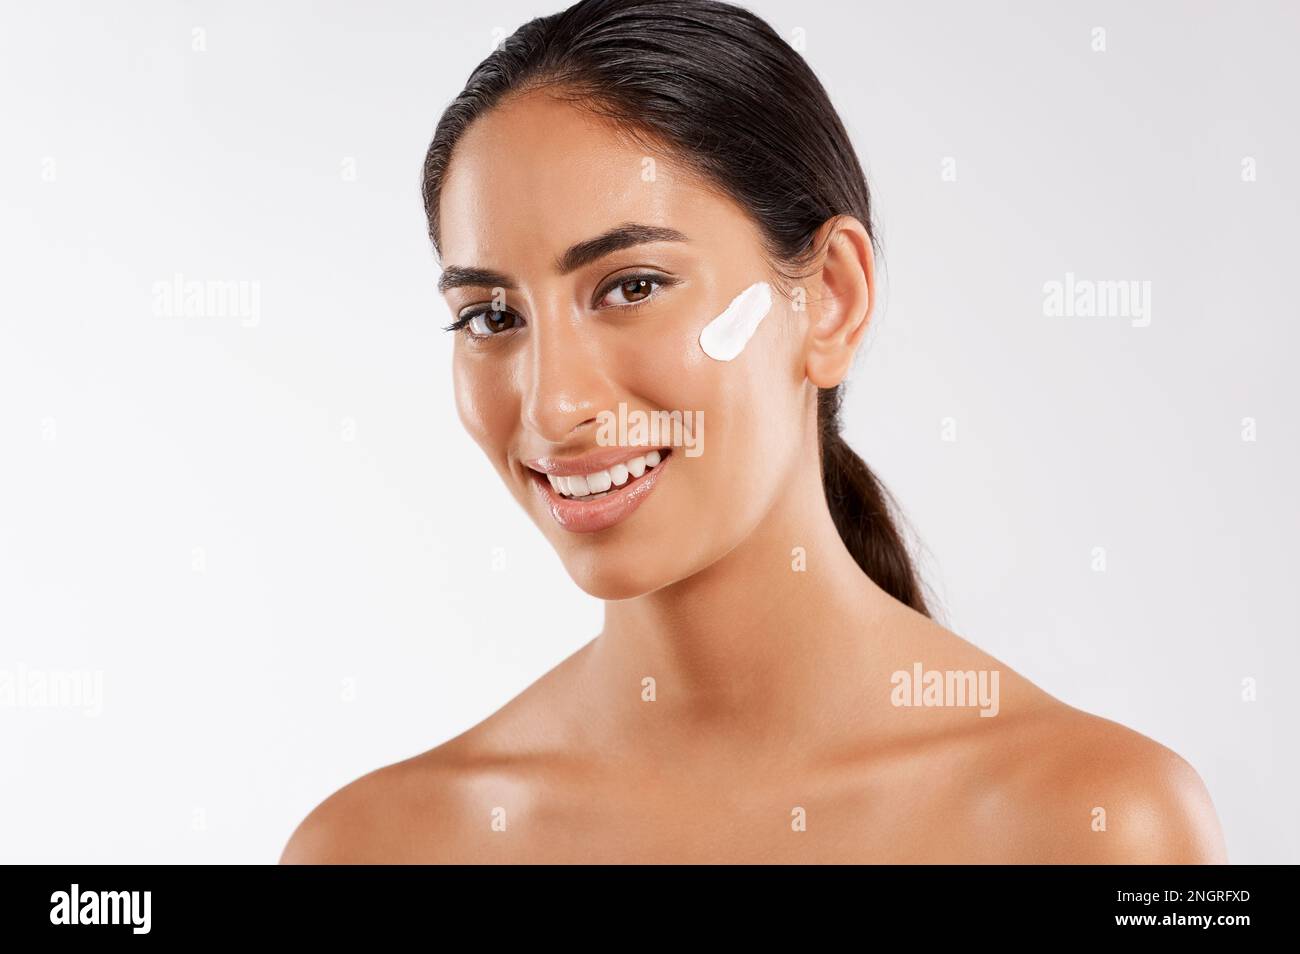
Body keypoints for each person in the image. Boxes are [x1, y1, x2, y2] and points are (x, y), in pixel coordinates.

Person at [281, 0, 1227, 863]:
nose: (552, 407)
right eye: (492, 316)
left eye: (632, 287)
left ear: (831, 301)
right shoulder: (375, 847)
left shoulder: (1103, 825)